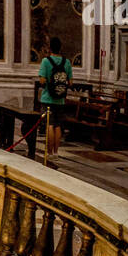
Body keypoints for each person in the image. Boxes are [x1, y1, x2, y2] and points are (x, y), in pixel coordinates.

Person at [38, 36, 72, 165]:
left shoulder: (46, 61)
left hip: (48, 98)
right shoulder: (67, 62)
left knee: (49, 125)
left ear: (50, 48)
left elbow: (42, 80)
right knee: (58, 126)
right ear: (60, 47)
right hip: (60, 99)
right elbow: (70, 82)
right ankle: (56, 152)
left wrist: (47, 82)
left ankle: (49, 152)